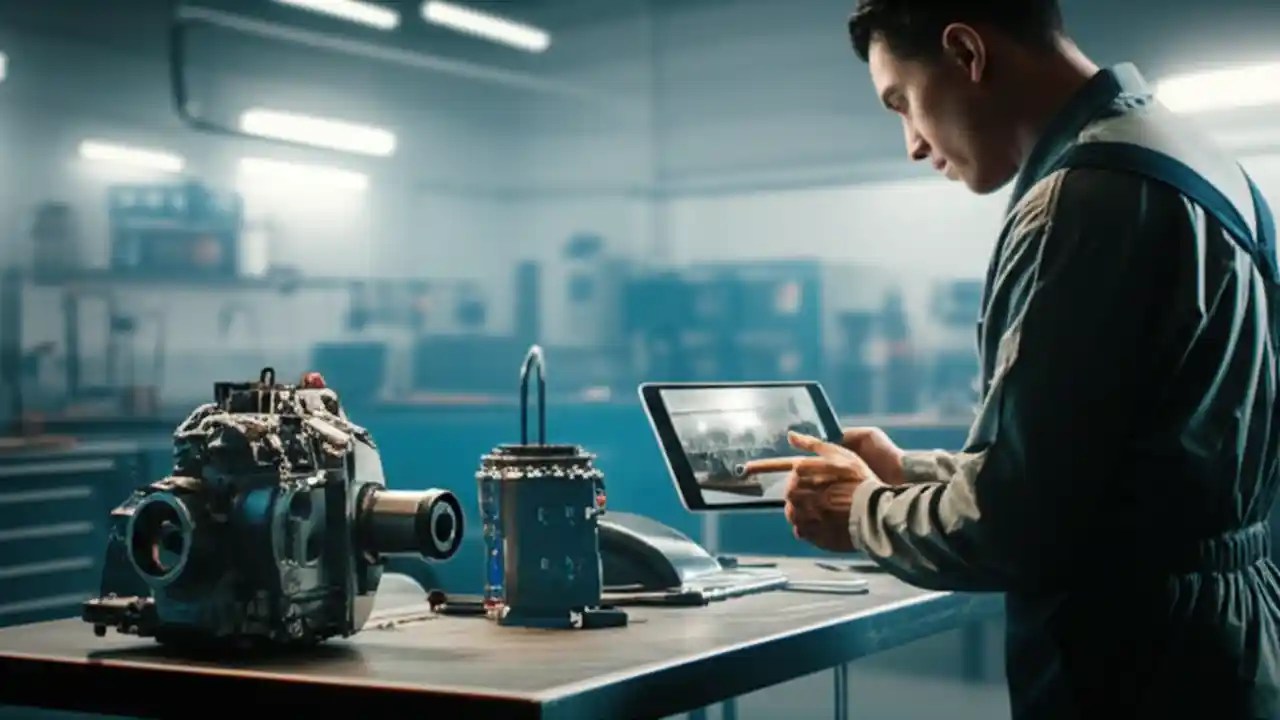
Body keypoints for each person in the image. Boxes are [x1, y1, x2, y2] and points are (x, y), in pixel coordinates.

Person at [742, 1, 1280, 718]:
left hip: (1134, 664)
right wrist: (912, 472)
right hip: (1235, 640)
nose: (911, 142)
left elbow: (1016, 527)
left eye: (902, 102)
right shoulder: (1202, 164)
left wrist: (860, 508)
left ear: (967, 52)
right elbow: (1121, 464)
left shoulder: (1082, 201)